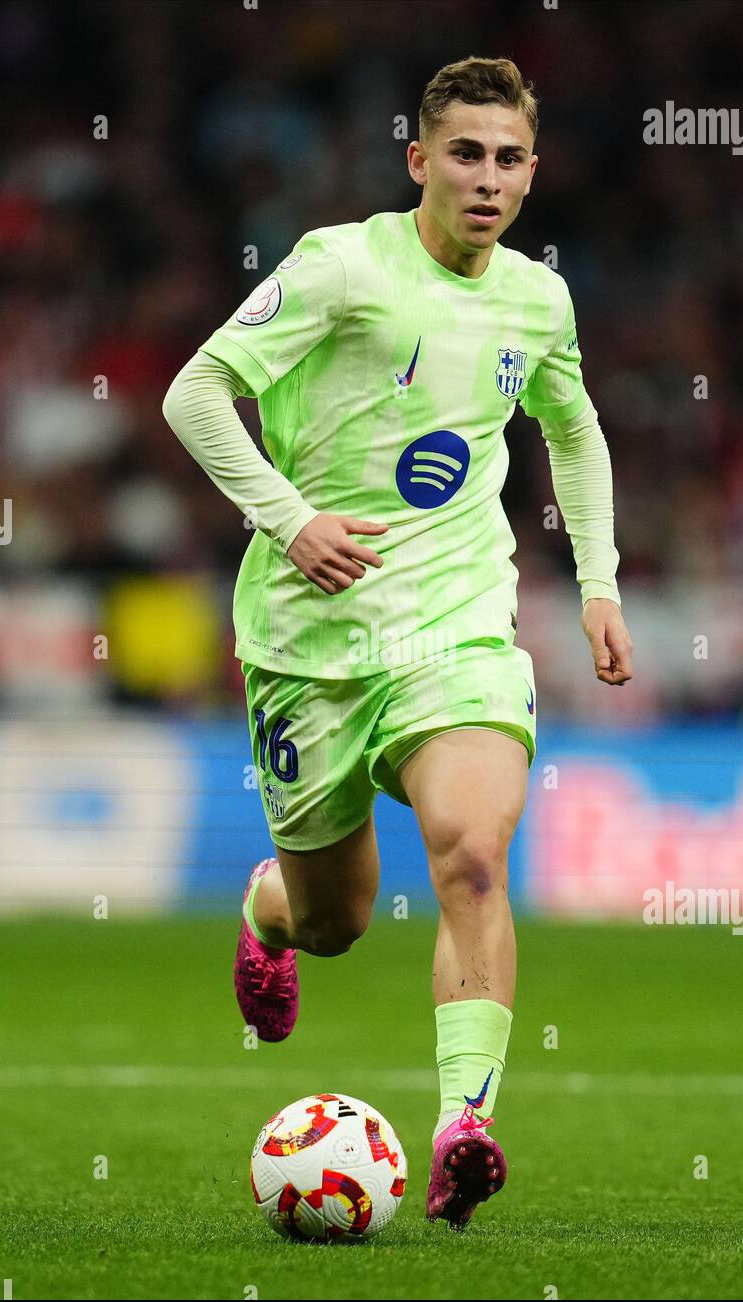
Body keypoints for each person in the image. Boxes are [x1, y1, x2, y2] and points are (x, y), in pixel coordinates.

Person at [162, 54, 633, 1231]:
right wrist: (292, 518)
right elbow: (192, 394)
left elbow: (571, 430)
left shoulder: (538, 298)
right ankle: (270, 909)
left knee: (473, 852)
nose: (486, 178)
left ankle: (461, 1124)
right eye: (463, 154)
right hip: (309, 642)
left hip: (457, 623)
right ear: (417, 160)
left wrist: (597, 584)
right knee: (336, 924)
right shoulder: (340, 267)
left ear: (533, 170)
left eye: (508, 157)